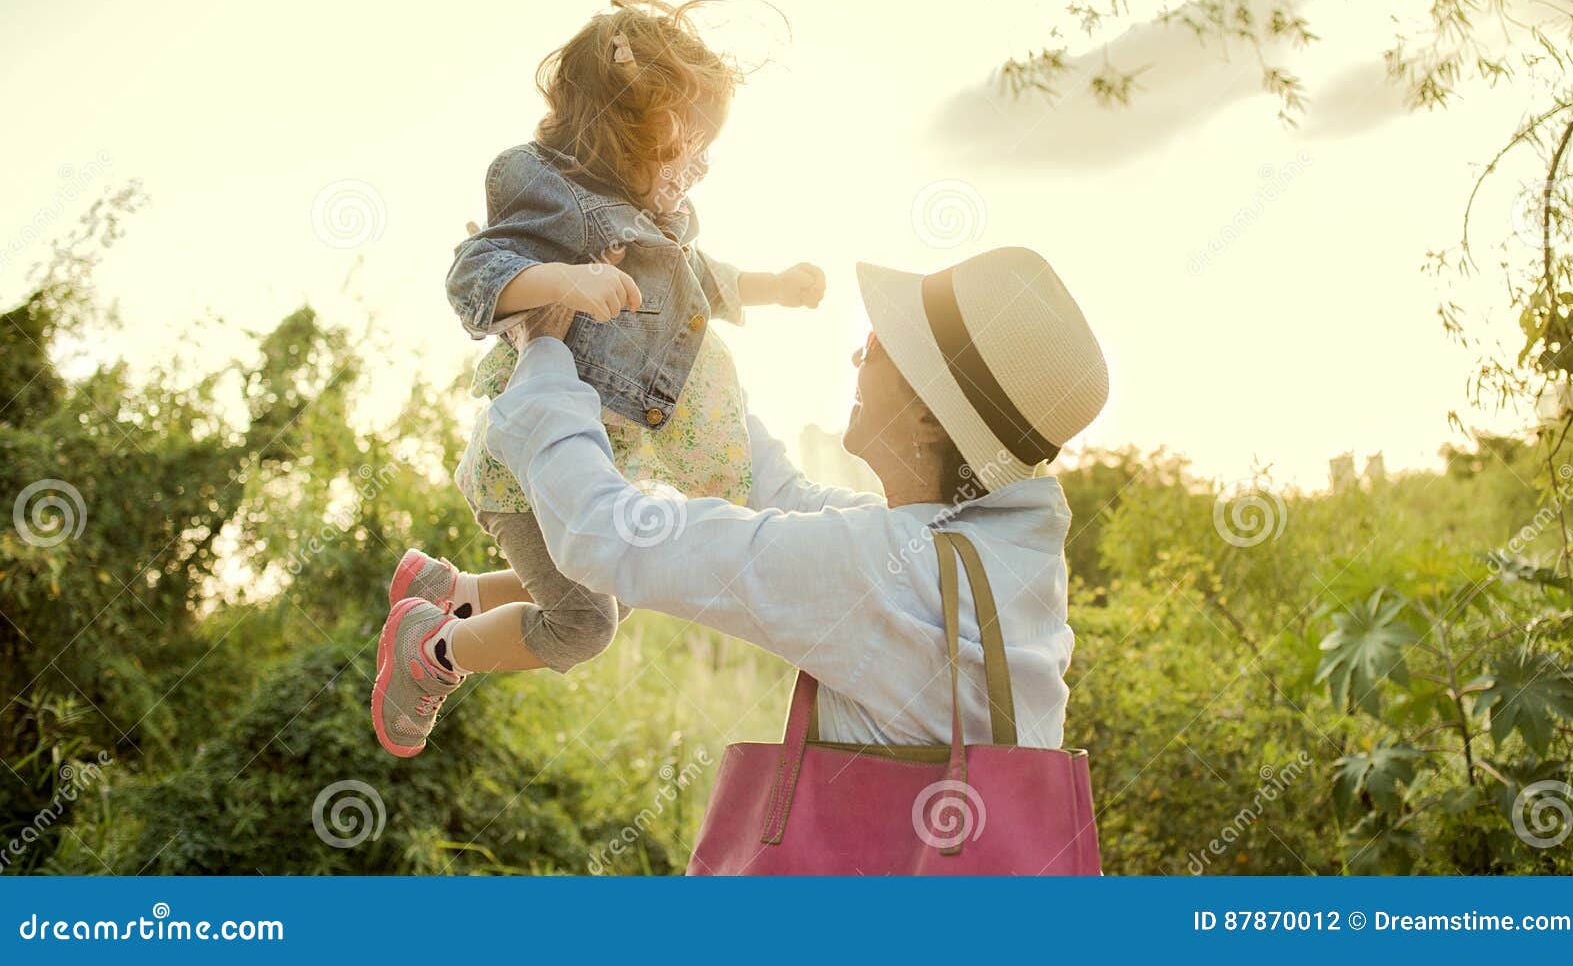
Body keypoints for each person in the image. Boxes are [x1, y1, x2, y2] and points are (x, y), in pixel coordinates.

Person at [377, 244, 1110, 753]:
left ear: (928, 417)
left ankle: (440, 636)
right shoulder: (990, 560)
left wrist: (542, 352)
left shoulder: (885, 572)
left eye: (880, 345)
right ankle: (459, 597)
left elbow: (612, 535)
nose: (856, 353)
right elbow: (784, 498)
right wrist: (685, 365)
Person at [370, 0, 822, 758]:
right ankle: (432, 650)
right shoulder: (556, 199)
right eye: (687, 145)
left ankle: (456, 593)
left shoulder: (659, 224)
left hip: (597, 465)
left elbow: (699, 283)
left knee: (623, 578)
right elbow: (474, 273)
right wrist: (564, 282)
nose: (700, 165)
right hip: (529, 472)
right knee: (584, 624)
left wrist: (775, 285)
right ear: (627, 132)